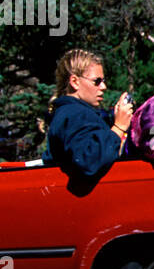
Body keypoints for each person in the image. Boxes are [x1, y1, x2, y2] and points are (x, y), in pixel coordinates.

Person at [43, 49, 134, 179]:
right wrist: (118, 127)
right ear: (75, 82)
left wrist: (115, 117)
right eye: (97, 81)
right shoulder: (75, 114)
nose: (103, 86)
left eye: (103, 80)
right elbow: (89, 161)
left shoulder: (68, 112)